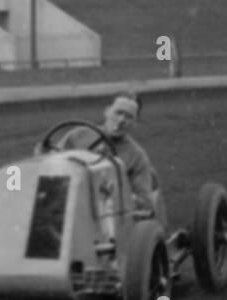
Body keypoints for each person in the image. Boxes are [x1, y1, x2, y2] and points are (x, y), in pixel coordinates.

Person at [63, 91, 168, 231]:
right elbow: (50, 157)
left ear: (134, 124)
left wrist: (120, 196)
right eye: (118, 113)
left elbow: (145, 203)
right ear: (107, 112)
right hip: (69, 201)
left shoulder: (136, 156)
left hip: (108, 218)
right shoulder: (79, 134)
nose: (121, 120)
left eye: (129, 117)